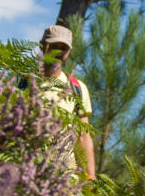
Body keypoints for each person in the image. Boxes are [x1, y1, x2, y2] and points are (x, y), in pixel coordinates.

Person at [28, 24, 96, 180]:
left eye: (63, 48)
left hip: (64, 177)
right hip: (27, 169)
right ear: (42, 46)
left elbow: (83, 136)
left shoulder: (77, 88)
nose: (58, 52)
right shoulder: (24, 82)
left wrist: (91, 179)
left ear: (69, 52)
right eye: (54, 46)